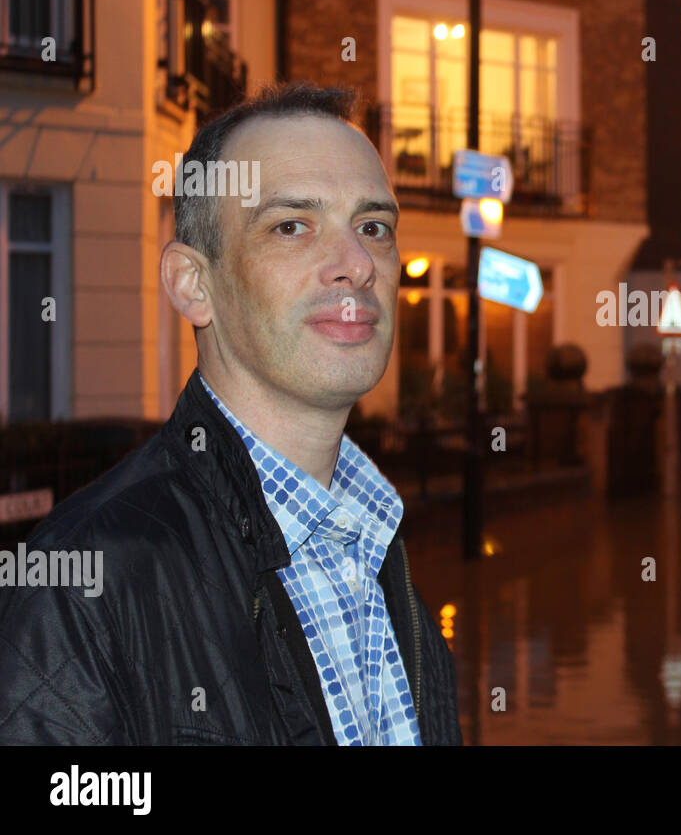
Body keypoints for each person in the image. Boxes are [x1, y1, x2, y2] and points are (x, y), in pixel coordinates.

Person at [0, 82, 461, 745]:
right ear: (194, 285)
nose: (357, 265)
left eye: (373, 228)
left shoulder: (382, 559)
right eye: (291, 226)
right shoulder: (83, 588)